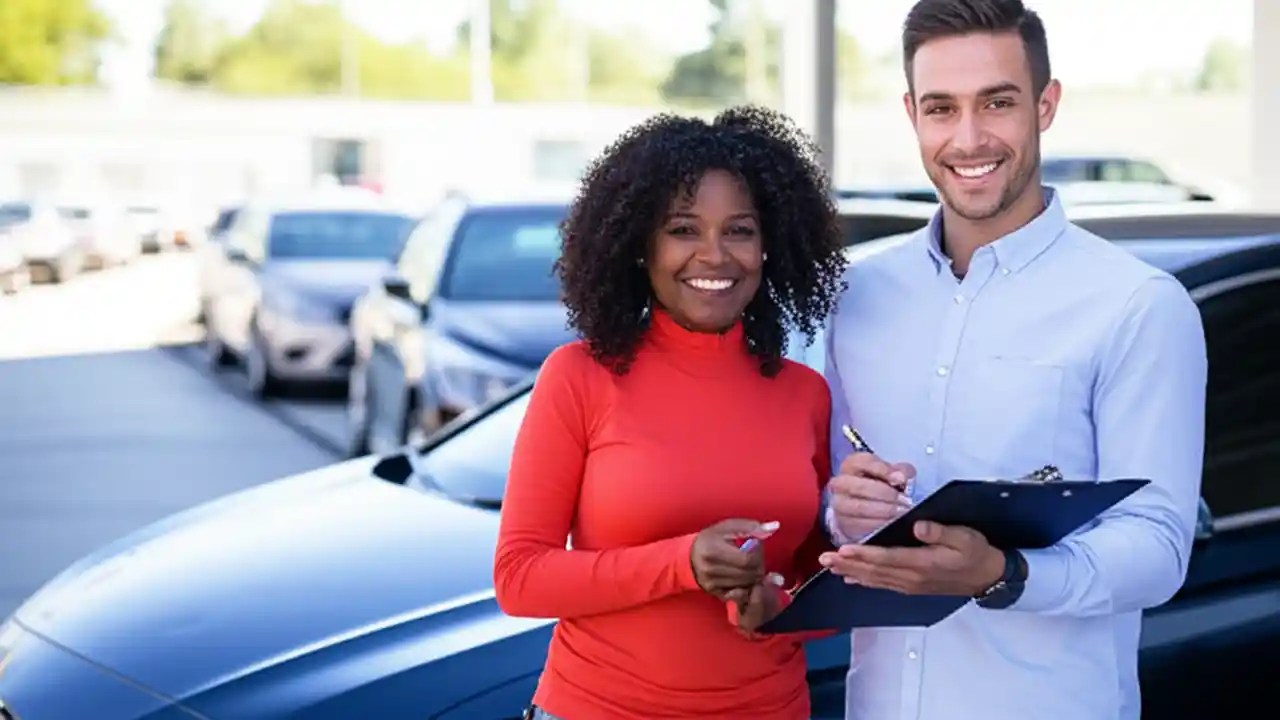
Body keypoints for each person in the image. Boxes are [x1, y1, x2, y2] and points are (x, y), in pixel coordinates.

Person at [817, 1, 1208, 719]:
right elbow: (830, 497)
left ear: (1046, 104)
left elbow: (1157, 549)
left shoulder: (1138, 305)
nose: (968, 139)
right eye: (941, 109)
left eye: (997, 102)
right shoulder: (856, 297)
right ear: (911, 114)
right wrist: (839, 509)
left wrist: (1004, 574)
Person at [493, 105, 848, 720]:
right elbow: (520, 578)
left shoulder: (805, 393)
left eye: (739, 230)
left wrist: (777, 607)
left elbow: (820, 580)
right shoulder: (580, 376)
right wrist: (681, 563)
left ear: (771, 246)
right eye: (684, 229)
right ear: (641, 245)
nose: (715, 255)